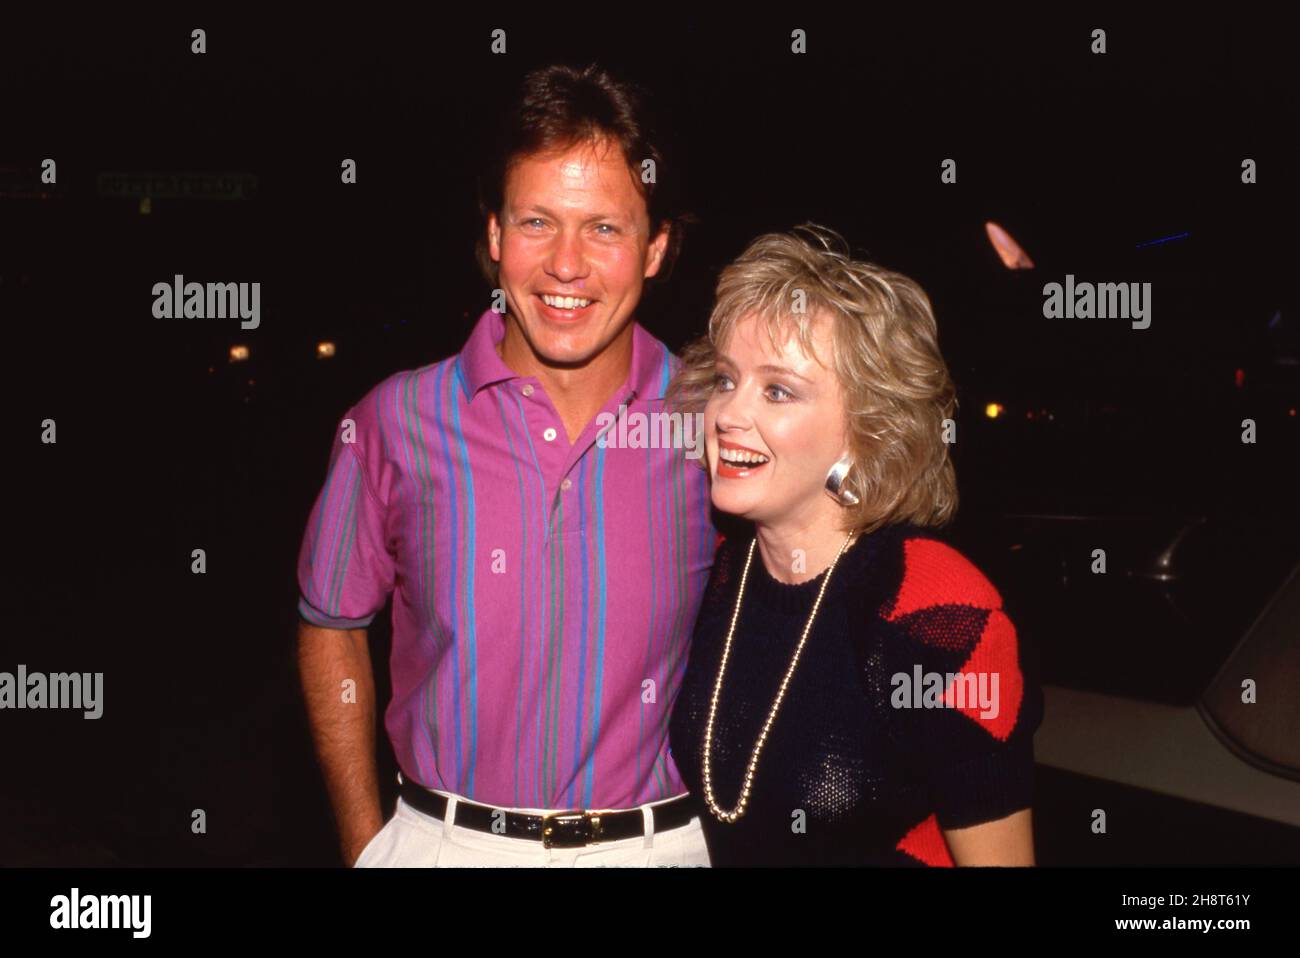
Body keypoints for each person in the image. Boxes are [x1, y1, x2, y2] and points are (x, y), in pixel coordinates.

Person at [296, 64, 716, 867]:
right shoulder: (395, 421)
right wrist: (364, 845)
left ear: (655, 248)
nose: (566, 265)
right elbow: (330, 623)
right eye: (535, 222)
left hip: (655, 847)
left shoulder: (713, 421)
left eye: (605, 228)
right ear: (493, 236)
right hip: (444, 844)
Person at [666, 225, 1044, 866]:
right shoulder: (717, 571)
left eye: (778, 390)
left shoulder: (937, 611)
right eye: (726, 379)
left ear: (866, 429)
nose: (728, 414)